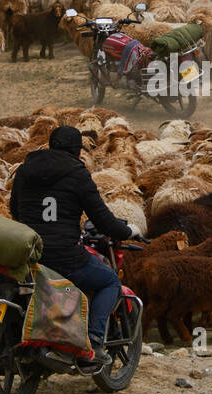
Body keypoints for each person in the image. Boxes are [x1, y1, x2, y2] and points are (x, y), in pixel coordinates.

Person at [9, 125, 141, 367]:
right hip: (64, 256)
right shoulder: (78, 174)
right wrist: (127, 231)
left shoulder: (25, 170)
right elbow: (101, 218)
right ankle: (94, 342)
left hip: (30, 252)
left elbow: (15, 210)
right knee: (109, 281)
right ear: (79, 151)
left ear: (50, 146)